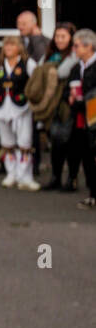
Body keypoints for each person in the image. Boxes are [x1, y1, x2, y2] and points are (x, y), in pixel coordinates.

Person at [0, 35, 38, 191]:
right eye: (6, 46)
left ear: (19, 47)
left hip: (22, 106)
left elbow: (35, 85)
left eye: (11, 45)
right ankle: (11, 174)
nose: (8, 48)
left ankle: (25, 177)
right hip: (2, 106)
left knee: (24, 141)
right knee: (7, 142)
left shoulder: (28, 64)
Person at [40, 22, 78, 191]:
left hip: (67, 103)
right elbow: (40, 70)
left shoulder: (75, 55)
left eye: (63, 36)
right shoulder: (50, 54)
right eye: (57, 36)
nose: (59, 40)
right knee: (55, 142)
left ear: (71, 38)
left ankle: (72, 178)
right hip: (52, 104)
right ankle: (56, 177)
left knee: (70, 142)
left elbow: (63, 72)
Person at [66, 28, 96, 210]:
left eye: (77, 46)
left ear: (89, 46)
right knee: (86, 156)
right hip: (81, 119)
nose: (74, 49)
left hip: (94, 118)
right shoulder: (77, 67)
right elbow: (69, 89)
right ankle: (93, 194)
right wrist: (69, 98)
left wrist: (80, 100)